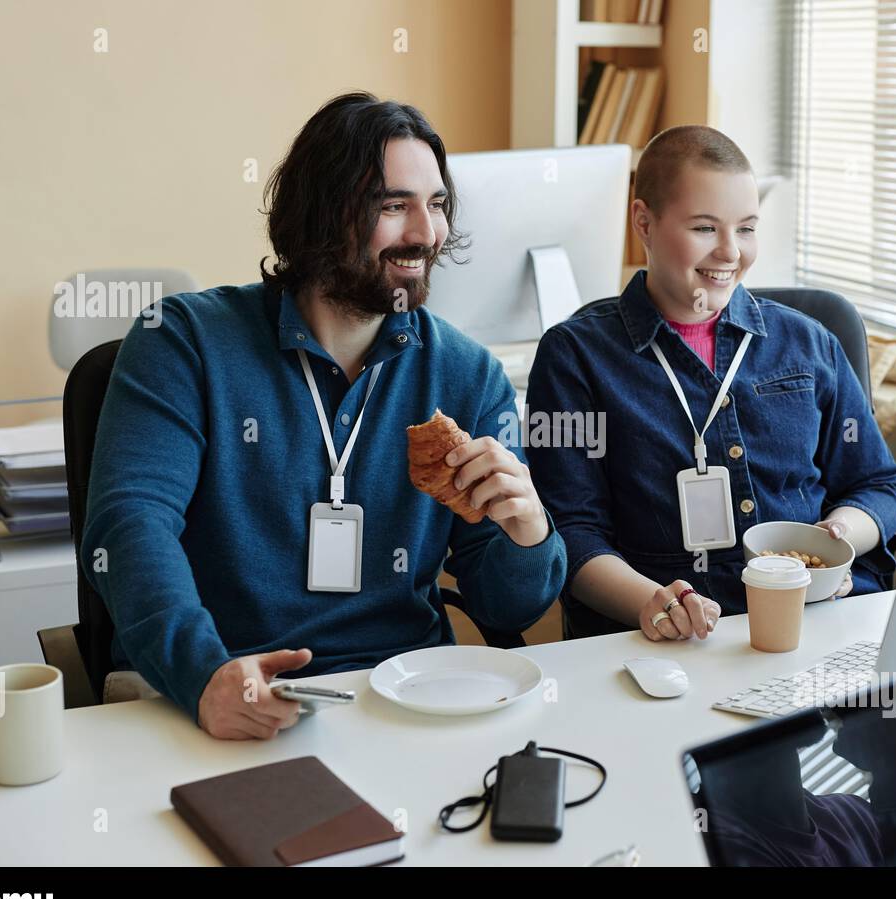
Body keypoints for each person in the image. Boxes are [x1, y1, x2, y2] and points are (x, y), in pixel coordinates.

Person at [83, 92, 566, 739]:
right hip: (217, 692)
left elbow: (506, 604)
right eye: (394, 206)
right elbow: (130, 524)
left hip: (404, 700)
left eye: (438, 205)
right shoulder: (183, 340)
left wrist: (529, 531)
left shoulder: (467, 374)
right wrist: (204, 675)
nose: (426, 234)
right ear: (321, 213)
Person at [526, 125, 896, 641]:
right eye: (705, 228)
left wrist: (836, 539)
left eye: (746, 229)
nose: (730, 252)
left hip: (817, 622)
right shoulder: (575, 356)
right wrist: (655, 602)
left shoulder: (810, 343)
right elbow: (572, 533)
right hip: (669, 642)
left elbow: (877, 485)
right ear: (644, 222)